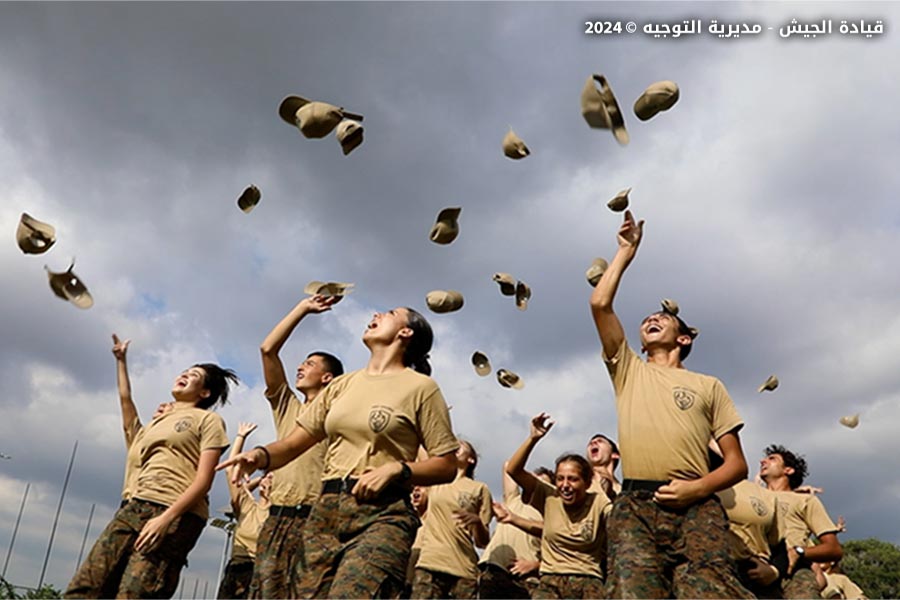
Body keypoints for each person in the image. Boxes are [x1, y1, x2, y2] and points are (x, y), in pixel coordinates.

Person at [220, 306, 458, 598]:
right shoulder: (342, 386)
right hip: (326, 512)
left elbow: (447, 465)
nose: (378, 314)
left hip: (383, 514)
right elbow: (294, 443)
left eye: (390, 313)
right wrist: (259, 456)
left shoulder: (421, 388)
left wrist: (398, 469)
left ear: (405, 332)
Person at [589, 210, 753, 598]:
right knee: (633, 592)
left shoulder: (708, 385)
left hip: (697, 507)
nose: (652, 318)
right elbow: (600, 305)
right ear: (640, 343)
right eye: (647, 320)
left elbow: (737, 464)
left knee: (710, 592)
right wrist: (624, 253)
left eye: (663, 317)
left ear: (684, 339)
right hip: (635, 506)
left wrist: (697, 490)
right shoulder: (628, 368)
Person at [67, 339, 237, 599]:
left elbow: (204, 480)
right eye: (185, 371)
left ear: (204, 393)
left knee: (137, 592)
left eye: (194, 376)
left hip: (176, 511)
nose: (184, 375)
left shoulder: (209, 420)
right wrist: (121, 361)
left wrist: (166, 519)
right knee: (87, 586)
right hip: (135, 505)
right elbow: (126, 402)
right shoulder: (154, 425)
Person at [252, 294, 344, 598]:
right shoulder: (287, 405)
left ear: (327, 377)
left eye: (310, 364)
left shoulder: (339, 415)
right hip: (277, 516)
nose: (301, 367)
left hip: (316, 517)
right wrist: (303, 308)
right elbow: (268, 350)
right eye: (302, 363)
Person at [506, 413, 611, 599]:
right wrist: (533, 438)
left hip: (588, 582)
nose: (565, 485)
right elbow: (513, 470)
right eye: (560, 479)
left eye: (573, 479)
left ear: (587, 483)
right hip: (550, 581)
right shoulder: (549, 496)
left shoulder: (599, 502)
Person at [759, 444, 843, 599]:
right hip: (757, 567)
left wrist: (799, 552)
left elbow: (834, 549)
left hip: (794, 573)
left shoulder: (804, 500)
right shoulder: (753, 496)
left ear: (788, 470)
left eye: (772, 459)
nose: (762, 461)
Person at [411, 440, 492, 599]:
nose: (455, 446)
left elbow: (482, 542)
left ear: (471, 459)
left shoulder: (479, 488)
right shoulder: (435, 480)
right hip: (430, 563)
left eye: (461, 446)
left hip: (463, 569)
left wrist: (477, 522)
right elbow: (421, 443)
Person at [712, 442, 786, 598]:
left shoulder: (764, 495)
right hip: (711, 575)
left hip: (757, 579)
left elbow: (779, 547)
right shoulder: (690, 485)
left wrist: (774, 571)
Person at [109, 334, 174, 508]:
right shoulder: (139, 435)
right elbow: (125, 398)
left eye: (170, 406)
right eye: (164, 403)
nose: (164, 404)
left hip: (159, 505)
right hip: (130, 503)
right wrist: (121, 362)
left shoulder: (177, 444)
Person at [478, 464, 552, 599]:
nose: (534, 486)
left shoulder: (550, 514)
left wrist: (535, 565)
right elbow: (508, 466)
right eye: (533, 481)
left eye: (541, 484)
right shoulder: (513, 499)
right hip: (494, 571)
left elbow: (560, 558)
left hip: (524, 580)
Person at [218, 423, 271, 600]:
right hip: (237, 569)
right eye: (267, 475)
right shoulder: (247, 505)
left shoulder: (278, 514)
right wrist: (241, 437)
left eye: (273, 476)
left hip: (261, 573)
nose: (269, 478)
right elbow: (231, 472)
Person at [585, 433, 620, 501]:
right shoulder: (582, 486)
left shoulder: (624, 490)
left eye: (600, 441)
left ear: (615, 455)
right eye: (590, 443)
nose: (593, 442)